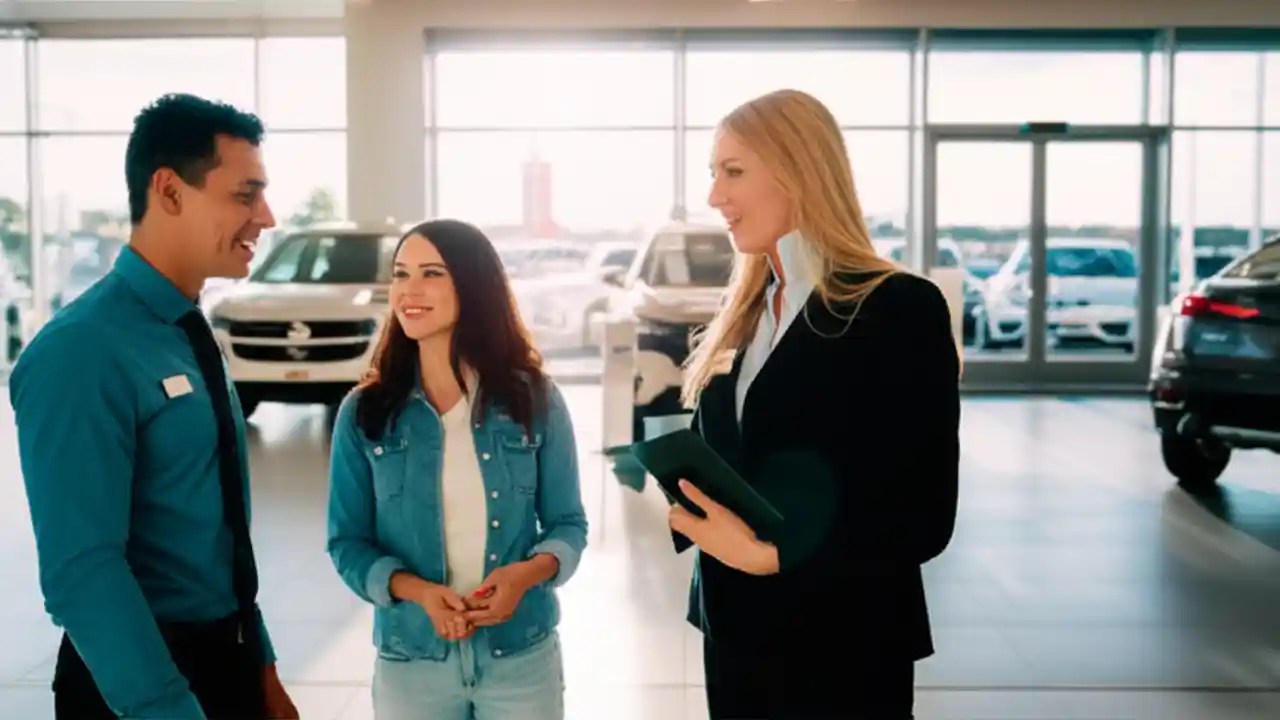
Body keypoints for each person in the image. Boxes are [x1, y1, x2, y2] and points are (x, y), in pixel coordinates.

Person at [667, 88, 961, 719]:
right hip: (735, 634)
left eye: (734, 171)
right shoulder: (745, 314)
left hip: (843, 641)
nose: (716, 196)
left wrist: (770, 555)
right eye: (714, 174)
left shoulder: (897, 308)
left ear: (799, 170)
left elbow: (922, 511)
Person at [10, 93, 298, 719]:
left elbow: (217, 529)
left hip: (227, 661)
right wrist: (166, 708)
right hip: (139, 681)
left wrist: (260, 665)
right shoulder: (81, 351)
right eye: (245, 194)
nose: (267, 216)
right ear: (168, 191)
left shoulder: (188, 331)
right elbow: (82, 572)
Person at [327, 218, 587, 720]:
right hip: (412, 663)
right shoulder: (364, 413)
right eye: (401, 274)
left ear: (472, 285)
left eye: (431, 274)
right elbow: (347, 544)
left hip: (521, 657)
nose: (410, 290)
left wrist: (526, 576)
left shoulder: (535, 399)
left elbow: (568, 525)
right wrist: (419, 592)